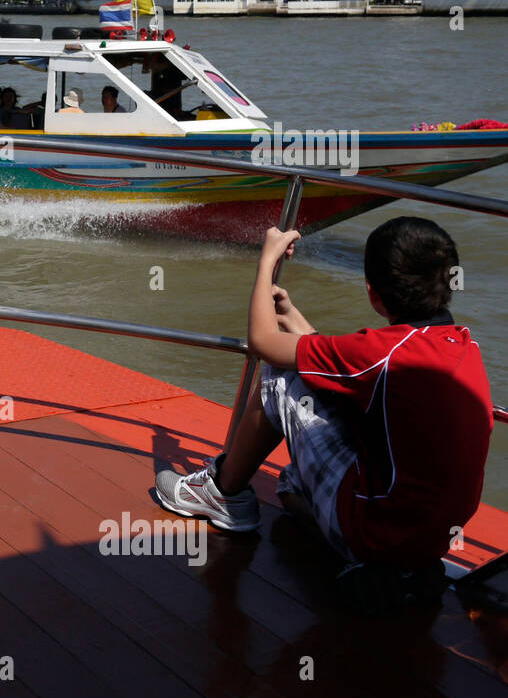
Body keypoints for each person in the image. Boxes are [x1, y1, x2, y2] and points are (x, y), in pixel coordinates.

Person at [155, 217, 491, 605]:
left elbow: (263, 343)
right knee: (292, 480)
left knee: (280, 378)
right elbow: (346, 369)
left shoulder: (381, 354)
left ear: (372, 293)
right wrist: (291, 314)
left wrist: (265, 264)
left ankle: (222, 493)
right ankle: (392, 568)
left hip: (374, 531)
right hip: (431, 541)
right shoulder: (463, 346)